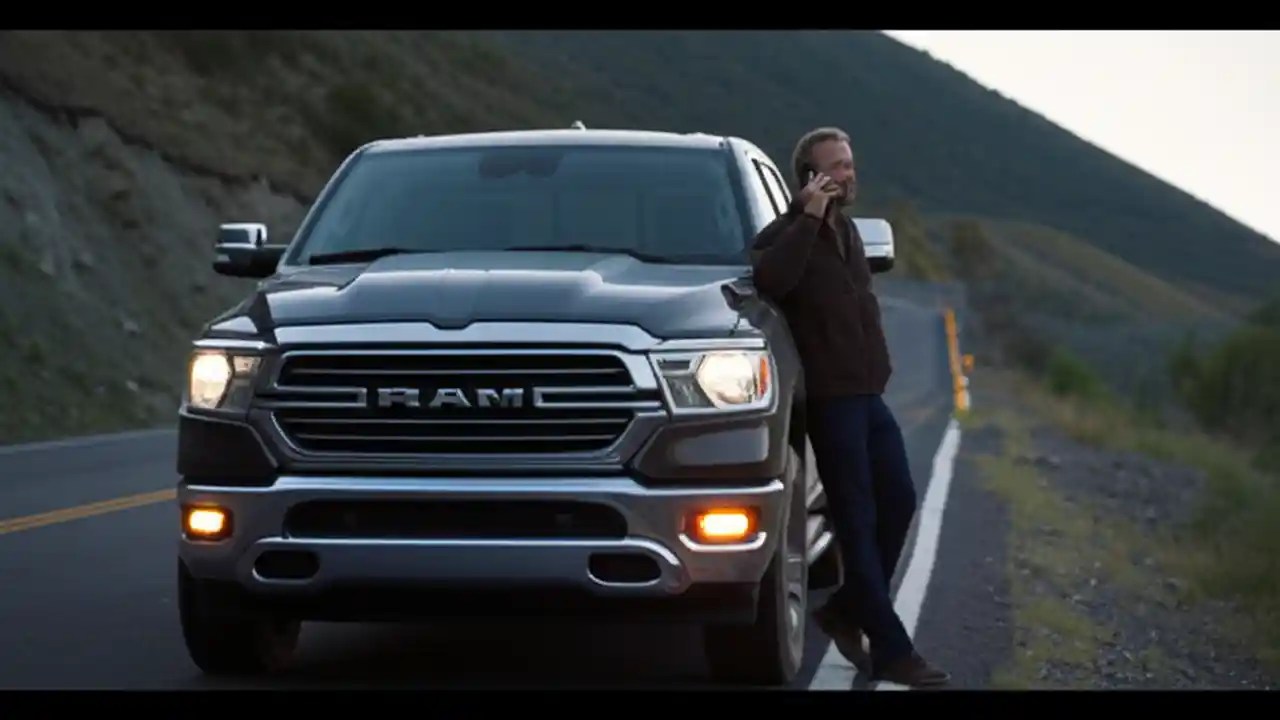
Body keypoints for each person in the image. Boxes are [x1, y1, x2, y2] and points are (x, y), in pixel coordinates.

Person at [749, 127, 950, 688]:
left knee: (900, 500)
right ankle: (892, 649)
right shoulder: (787, 232)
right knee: (856, 521)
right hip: (830, 400)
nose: (847, 173)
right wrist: (808, 219)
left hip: (867, 393)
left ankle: (846, 610)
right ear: (809, 176)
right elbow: (769, 281)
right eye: (835, 166)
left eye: (849, 163)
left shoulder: (849, 233)